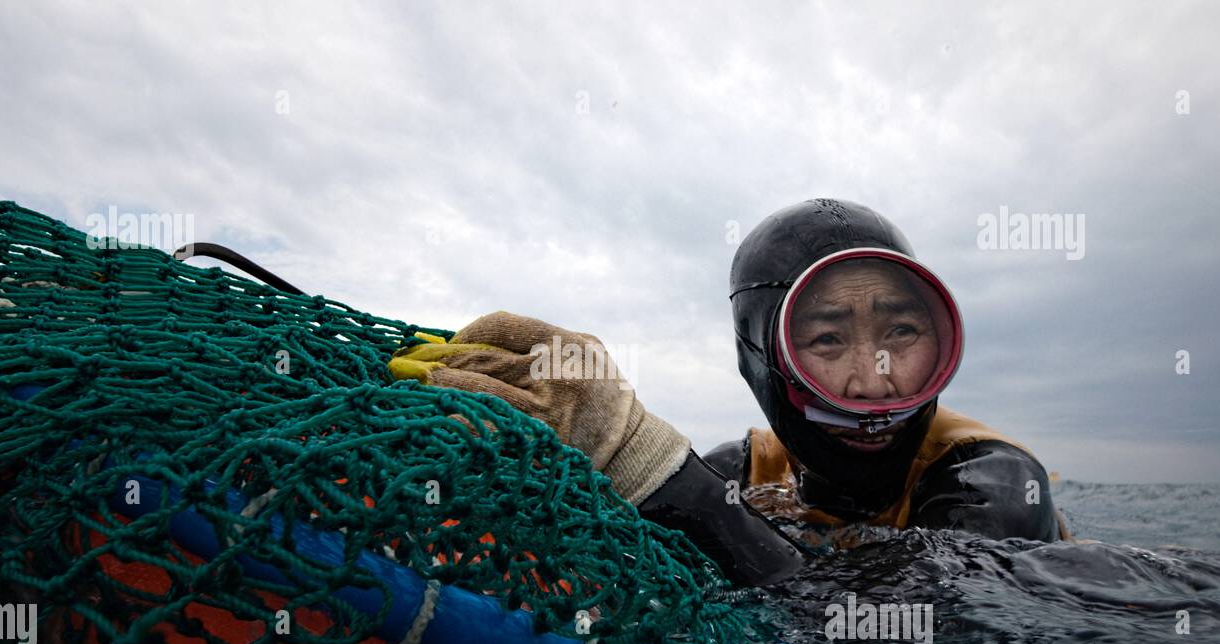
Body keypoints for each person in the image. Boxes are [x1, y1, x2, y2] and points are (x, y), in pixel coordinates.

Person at [389, 199, 1067, 587]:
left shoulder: (996, 483)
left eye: (902, 330)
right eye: (828, 340)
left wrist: (662, 475)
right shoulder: (743, 471)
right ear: (759, 361)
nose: (875, 379)